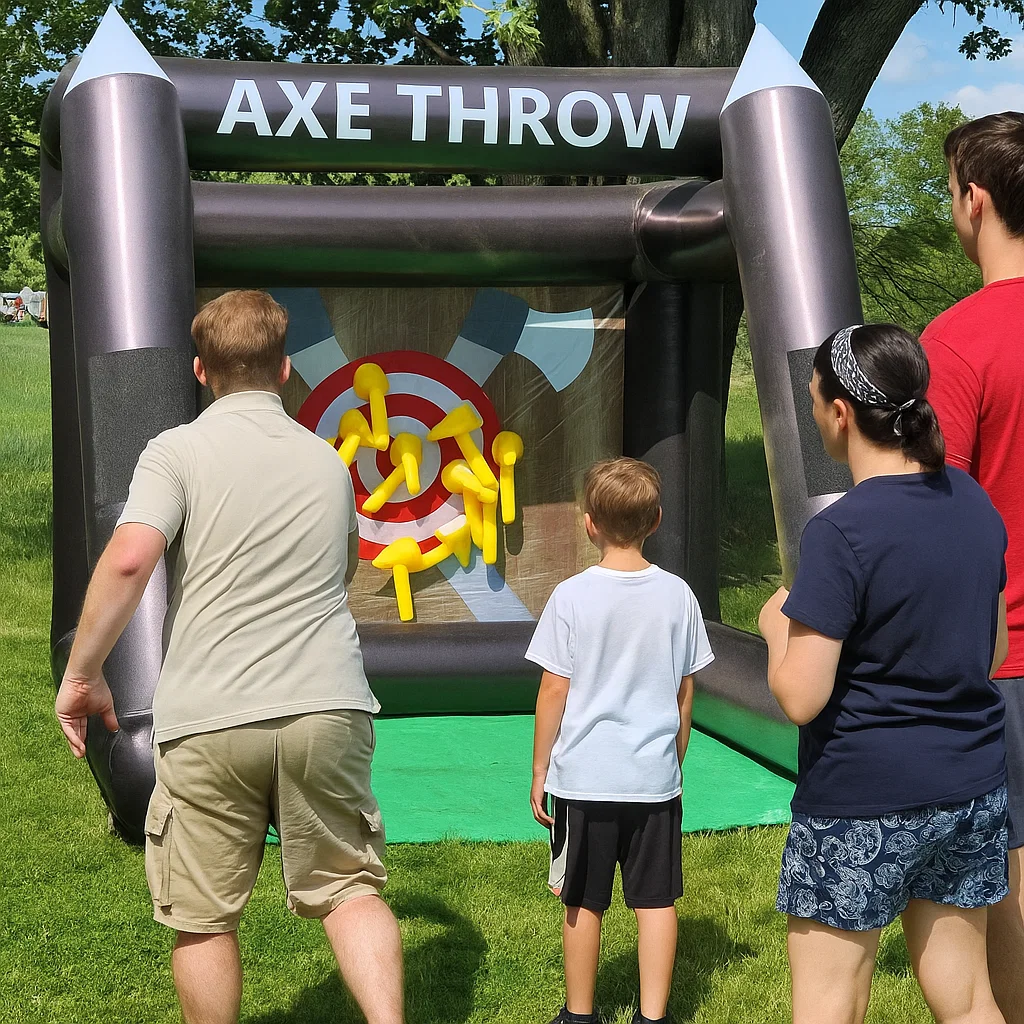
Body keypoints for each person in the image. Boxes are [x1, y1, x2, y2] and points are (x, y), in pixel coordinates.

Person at [54, 290, 404, 1024]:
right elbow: (341, 574)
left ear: (200, 370)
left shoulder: (175, 451)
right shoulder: (327, 462)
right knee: (349, 888)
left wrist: (83, 674)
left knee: (204, 916)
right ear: (284, 367)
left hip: (210, 713)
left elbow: (129, 560)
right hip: (327, 706)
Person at [759, 323, 1010, 1024]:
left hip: (861, 798)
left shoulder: (841, 531)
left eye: (815, 400)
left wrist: (775, 624)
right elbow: (991, 653)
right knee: (968, 998)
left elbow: (800, 697)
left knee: (830, 1001)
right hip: (969, 787)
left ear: (840, 412)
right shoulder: (974, 502)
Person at [527, 457, 714, 1024]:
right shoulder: (679, 595)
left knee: (582, 901)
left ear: (589, 524)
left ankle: (579, 1015)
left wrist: (540, 771)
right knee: (656, 901)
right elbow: (685, 691)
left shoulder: (570, 596)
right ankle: (653, 1016)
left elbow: (553, 689)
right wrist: (673, 758)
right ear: (656, 521)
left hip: (583, 781)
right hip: (653, 780)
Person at [922, 111, 1024, 1022]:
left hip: (1003, 660)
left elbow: (934, 522)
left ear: (975, 200)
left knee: (1014, 882)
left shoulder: (954, 341)